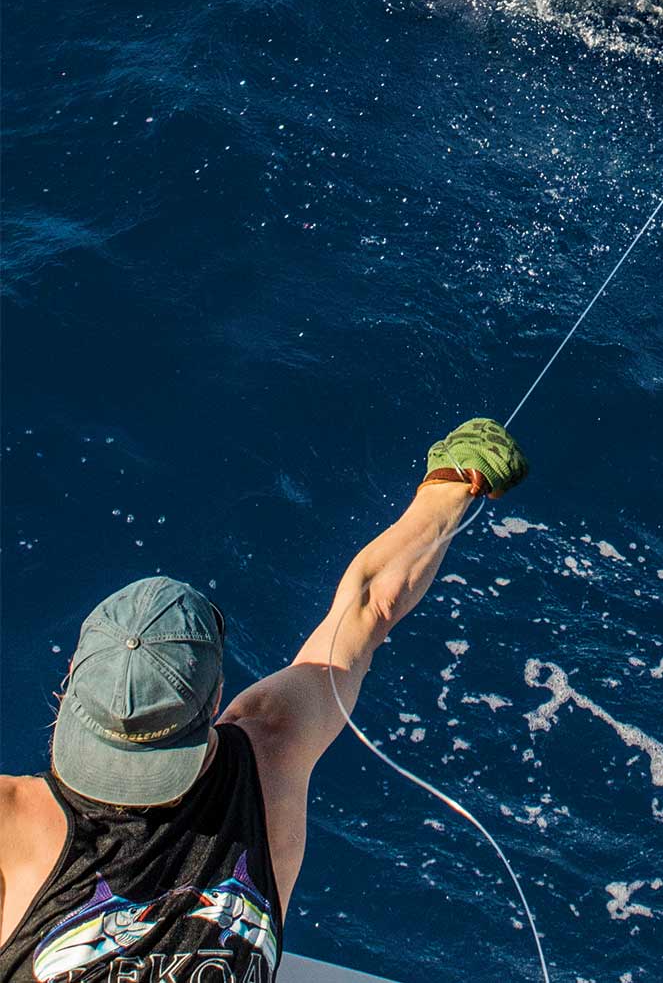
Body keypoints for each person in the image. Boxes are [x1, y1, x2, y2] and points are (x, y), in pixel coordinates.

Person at [0, 416, 527, 981]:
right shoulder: (273, 749)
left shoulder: (11, 824)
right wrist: (453, 482)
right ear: (218, 695)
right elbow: (372, 606)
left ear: (73, 677)